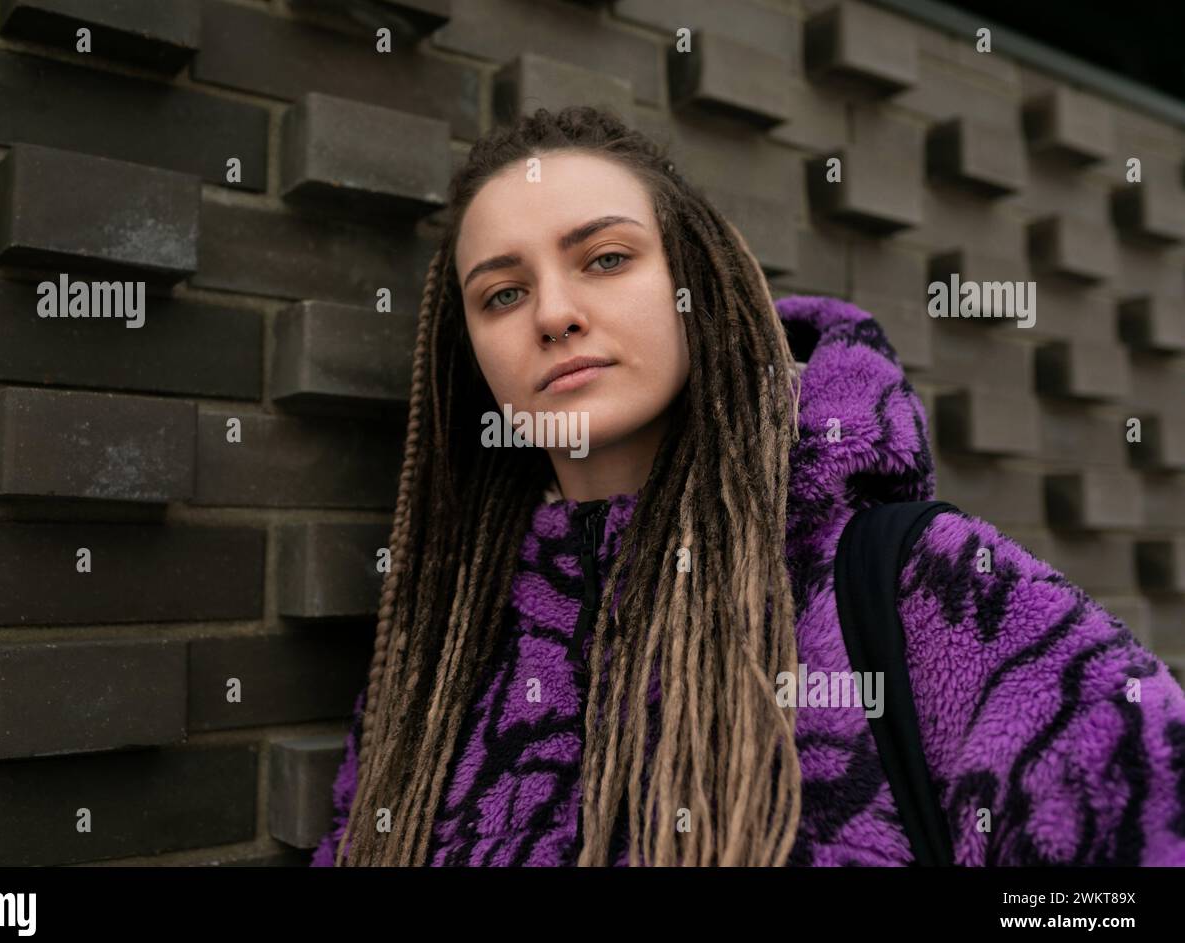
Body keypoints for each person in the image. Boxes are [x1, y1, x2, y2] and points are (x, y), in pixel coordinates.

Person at [311, 105, 1185, 867]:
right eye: (501, 294)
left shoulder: (921, 587)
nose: (553, 313)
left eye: (607, 259)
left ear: (694, 279)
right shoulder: (444, 655)